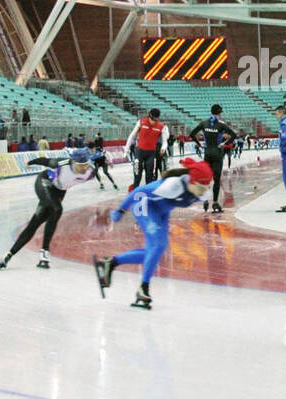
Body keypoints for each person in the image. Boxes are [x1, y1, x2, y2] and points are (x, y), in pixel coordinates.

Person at [93, 157, 213, 309]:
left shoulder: (201, 191)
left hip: (161, 212)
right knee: (157, 245)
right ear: (191, 181)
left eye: (207, 186)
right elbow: (138, 191)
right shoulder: (171, 186)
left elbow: (199, 191)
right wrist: (121, 210)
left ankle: (110, 263)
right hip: (143, 205)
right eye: (201, 186)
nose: (204, 191)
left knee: (156, 250)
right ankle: (144, 288)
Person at [0, 149, 93, 271]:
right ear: (73, 162)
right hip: (44, 182)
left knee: (36, 222)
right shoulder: (61, 163)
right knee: (57, 209)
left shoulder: (90, 172)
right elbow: (45, 161)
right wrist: (30, 162)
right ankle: (45, 251)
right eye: (80, 166)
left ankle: (8, 255)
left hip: (59, 192)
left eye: (86, 164)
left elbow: (98, 161)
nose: (84, 168)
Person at [189, 104, 236, 213]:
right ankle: (215, 202)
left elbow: (192, 134)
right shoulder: (221, 124)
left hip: (207, 152)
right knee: (216, 179)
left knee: (206, 178)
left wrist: (200, 144)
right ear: (219, 113)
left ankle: (205, 200)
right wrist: (224, 144)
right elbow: (233, 135)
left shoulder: (204, 123)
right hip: (217, 152)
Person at [127, 108, 168, 189]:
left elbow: (165, 141)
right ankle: (135, 193)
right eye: (152, 119)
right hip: (139, 152)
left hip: (151, 153)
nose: (153, 122)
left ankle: (149, 195)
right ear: (149, 116)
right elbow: (132, 135)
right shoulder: (141, 122)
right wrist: (126, 148)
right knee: (137, 174)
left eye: (155, 120)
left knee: (150, 176)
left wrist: (163, 147)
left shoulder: (161, 126)